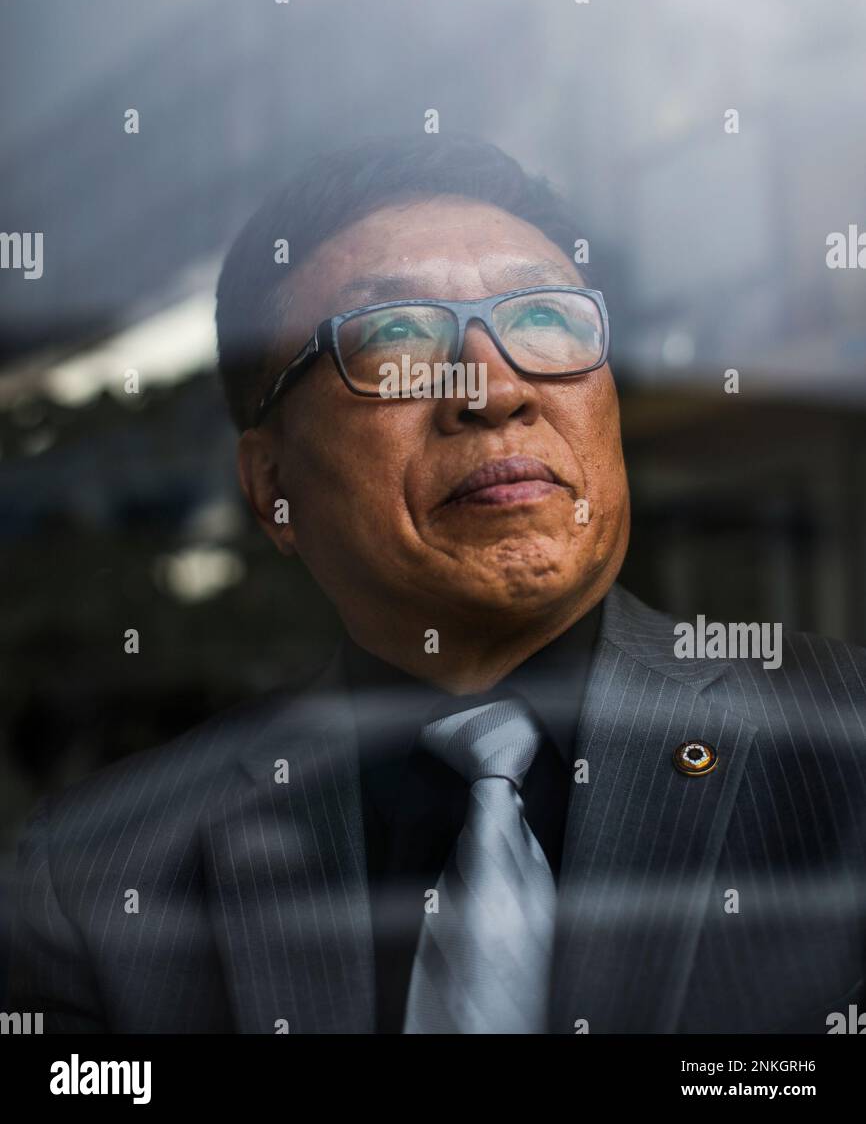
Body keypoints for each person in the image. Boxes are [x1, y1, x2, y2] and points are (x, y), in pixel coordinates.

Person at [9, 137, 866, 1033]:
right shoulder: (99, 881)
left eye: (544, 319)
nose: (494, 390)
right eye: (396, 339)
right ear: (272, 489)